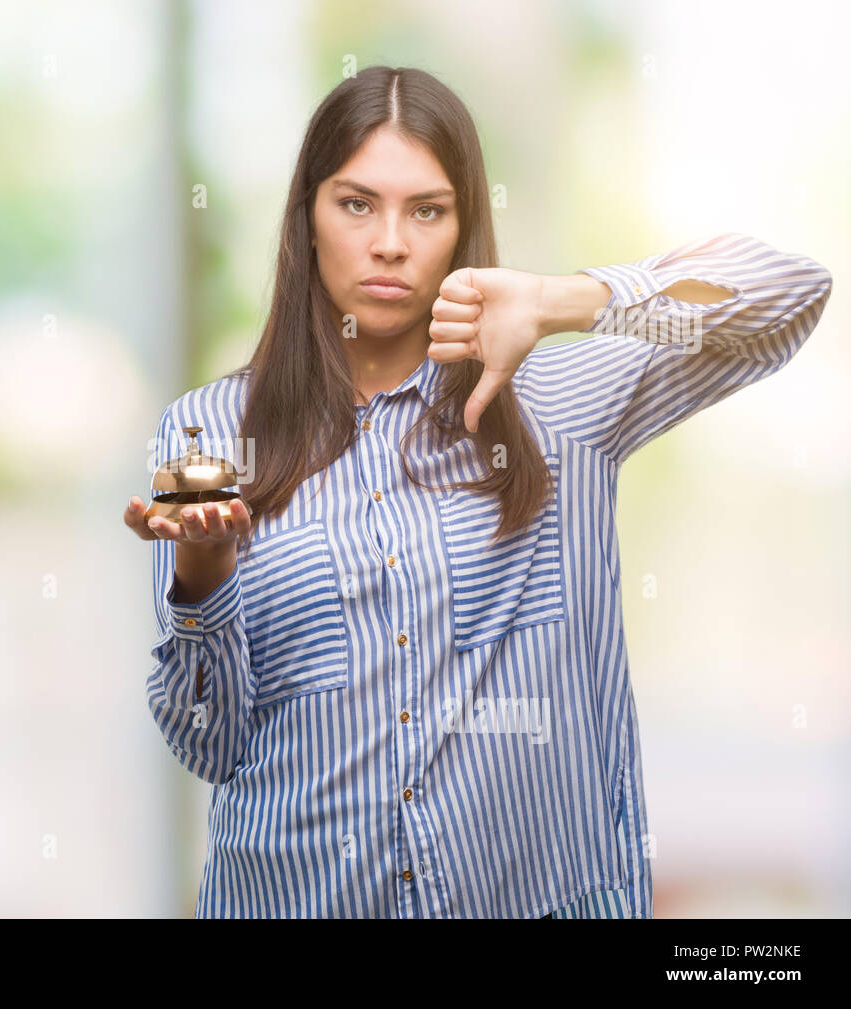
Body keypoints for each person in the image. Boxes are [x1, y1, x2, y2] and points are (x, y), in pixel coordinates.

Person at [122, 66, 832, 918]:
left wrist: (565, 298)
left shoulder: (562, 397)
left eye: (427, 209)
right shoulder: (206, 431)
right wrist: (203, 575)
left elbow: (791, 293)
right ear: (306, 219)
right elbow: (208, 743)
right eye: (356, 204)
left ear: (463, 228)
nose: (390, 242)